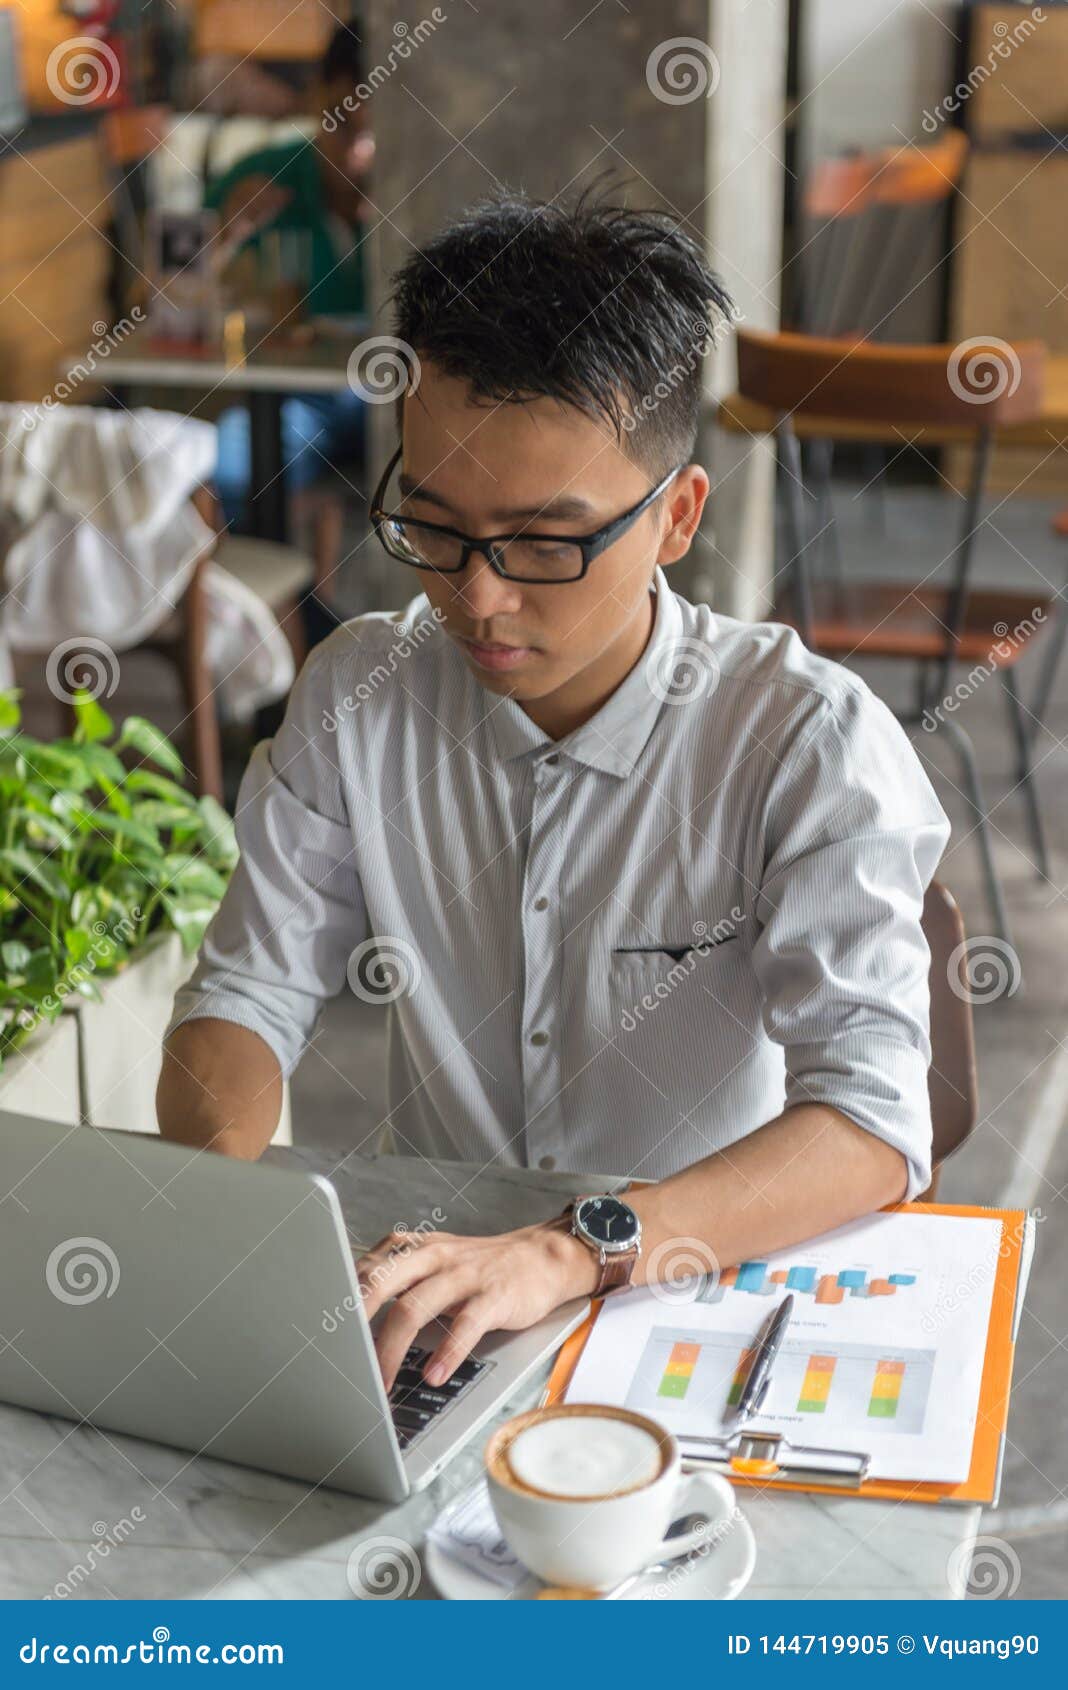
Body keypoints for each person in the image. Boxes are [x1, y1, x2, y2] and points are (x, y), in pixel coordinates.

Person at [158, 187, 950, 1396]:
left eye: (544, 544)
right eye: (432, 525)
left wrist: (571, 1249)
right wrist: (224, 1212)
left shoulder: (800, 739)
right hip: (431, 1305)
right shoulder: (359, 691)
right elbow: (248, 993)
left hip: (693, 1292)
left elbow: (877, 1122)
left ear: (677, 515)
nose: (477, 598)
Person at [208, 19, 372, 531]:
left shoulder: (427, 185)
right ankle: (283, 608)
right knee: (233, 470)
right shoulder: (264, 177)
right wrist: (224, 238)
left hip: (405, 398)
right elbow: (159, 298)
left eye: (377, 132)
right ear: (318, 101)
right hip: (299, 402)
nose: (356, 153)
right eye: (341, 123)